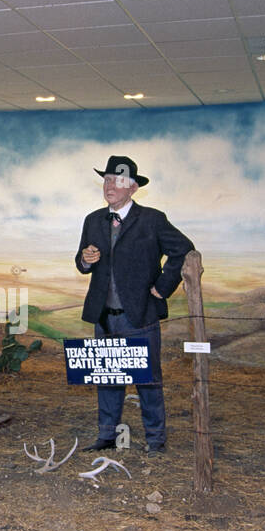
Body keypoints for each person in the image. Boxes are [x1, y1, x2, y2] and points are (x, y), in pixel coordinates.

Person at [75, 155, 194, 454]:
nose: (108, 186)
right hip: (104, 316)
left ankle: (155, 439)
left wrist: (162, 288)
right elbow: (81, 261)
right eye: (106, 180)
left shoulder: (153, 219)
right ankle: (107, 435)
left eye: (116, 180)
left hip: (139, 315)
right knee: (108, 377)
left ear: (132, 188)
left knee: (148, 380)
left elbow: (184, 250)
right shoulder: (93, 220)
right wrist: (85, 260)